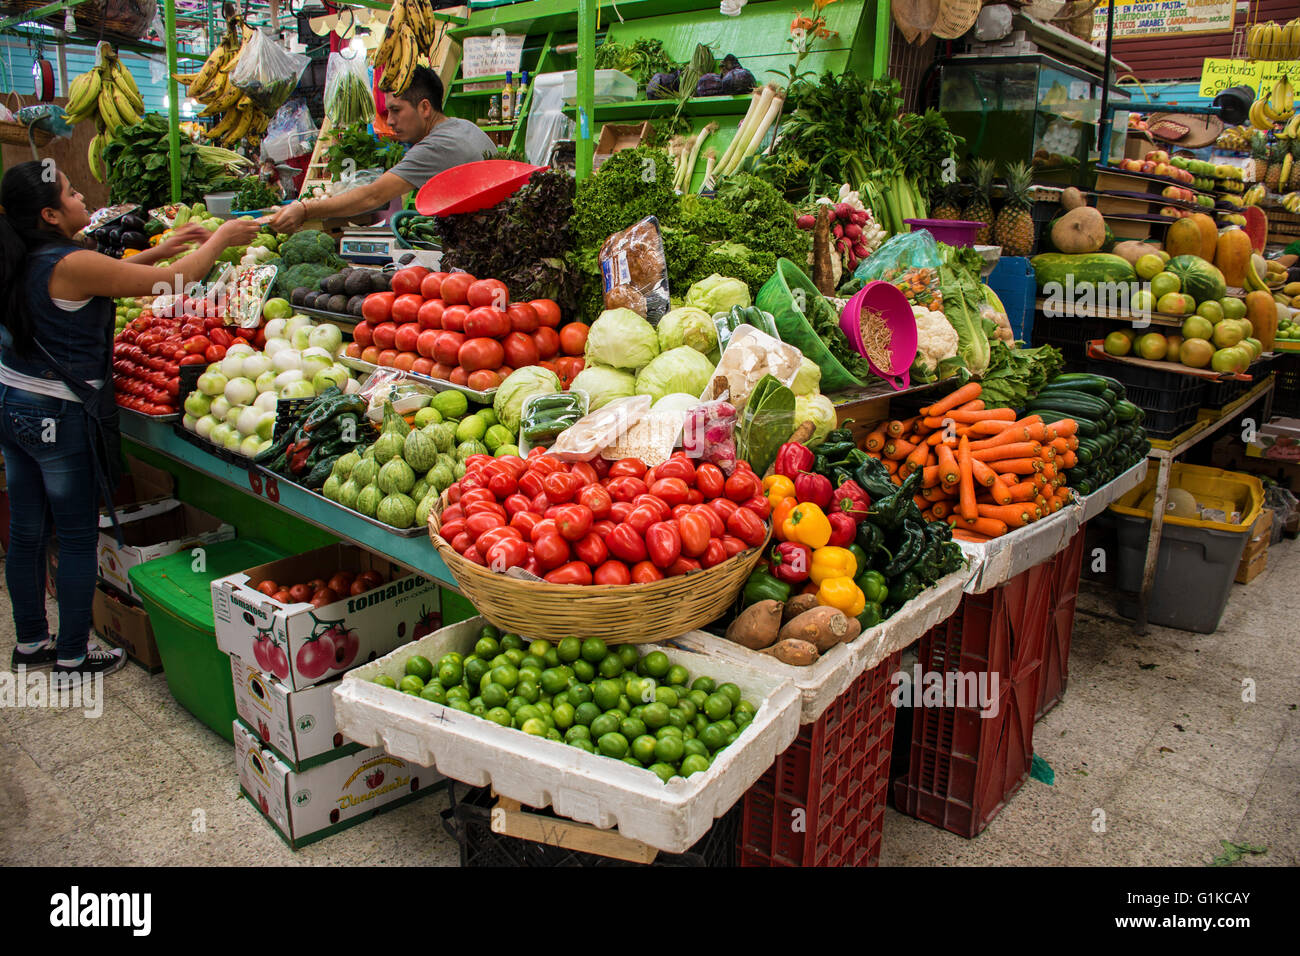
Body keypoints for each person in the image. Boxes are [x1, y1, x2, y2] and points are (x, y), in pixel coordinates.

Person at [0, 161, 260, 686]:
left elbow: (106, 278)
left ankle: (30, 643)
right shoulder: (69, 261)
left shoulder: (21, 255)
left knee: (27, 532)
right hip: (58, 413)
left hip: (14, 405)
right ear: (50, 214)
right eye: (72, 194)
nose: (81, 201)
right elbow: (175, 282)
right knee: (75, 536)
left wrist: (162, 249)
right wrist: (223, 236)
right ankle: (72, 658)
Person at [269, 65, 495, 234]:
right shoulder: (463, 126)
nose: (390, 121)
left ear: (425, 107)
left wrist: (305, 209)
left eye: (396, 110)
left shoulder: (436, 146)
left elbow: (372, 196)